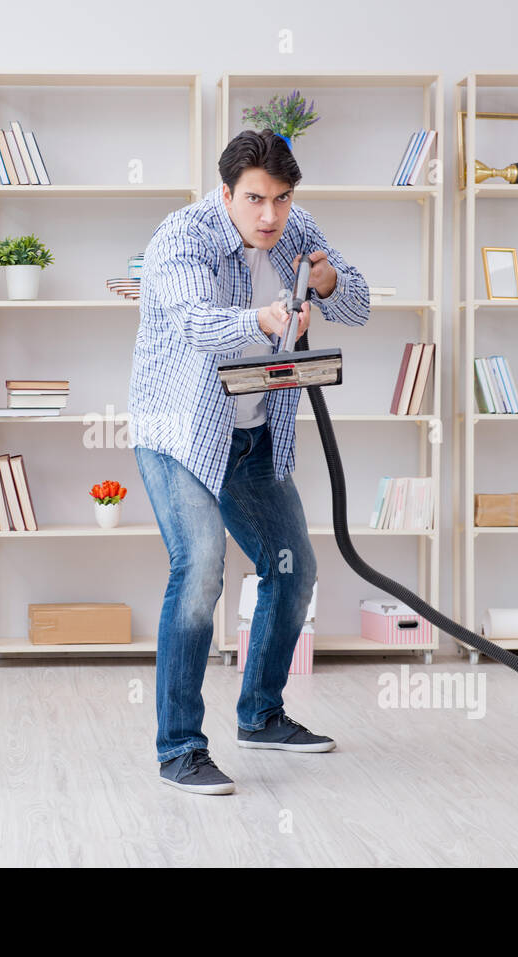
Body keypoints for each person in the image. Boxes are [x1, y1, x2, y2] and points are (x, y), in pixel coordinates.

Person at [128, 129, 371, 795]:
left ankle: (261, 715)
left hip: (255, 433)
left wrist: (328, 280)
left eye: (282, 200)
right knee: (201, 567)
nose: (270, 216)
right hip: (180, 430)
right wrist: (261, 320)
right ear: (227, 191)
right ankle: (179, 748)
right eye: (256, 199)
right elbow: (195, 324)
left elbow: (360, 301)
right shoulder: (184, 237)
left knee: (295, 568)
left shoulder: (297, 227)